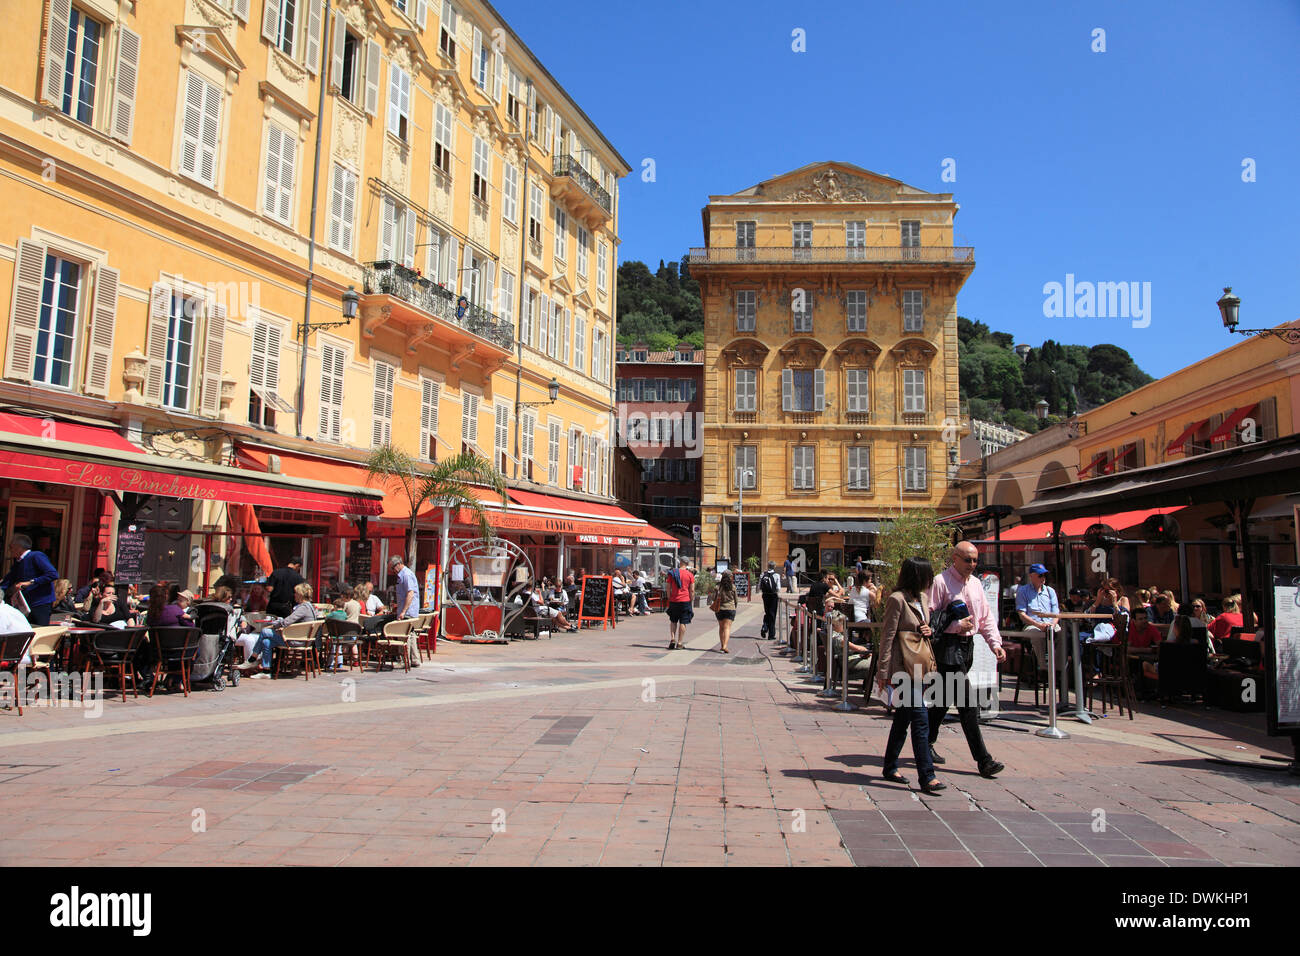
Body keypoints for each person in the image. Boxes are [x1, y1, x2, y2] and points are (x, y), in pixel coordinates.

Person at [926, 542, 1006, 778]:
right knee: (967, 704)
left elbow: (986, 616)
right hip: (948, 647)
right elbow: (931, 618)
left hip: (967, 646)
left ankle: (925, 742)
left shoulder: (976, 584)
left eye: (975, 560)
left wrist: (995, 644)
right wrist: (955, 625)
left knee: (942, 699)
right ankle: (984, 760)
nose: (972, 565)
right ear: (955, 558)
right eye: (967, 560)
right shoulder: (941, 582)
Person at [877, 556, 944, 793]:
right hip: (901, 668)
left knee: (903, 718)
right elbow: (887, 637)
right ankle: (927, 776)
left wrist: (928, 629)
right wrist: (883, 672)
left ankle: (890, 765)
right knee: (920, 719)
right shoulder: (897, 600)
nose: (930, 580)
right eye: (927, 575)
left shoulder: (923, 599)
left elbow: (924, 630)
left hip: (920, 667)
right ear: (917, 576)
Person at [243, 582, 317, 676]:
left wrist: (275, 624)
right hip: (301, 638)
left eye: (295, 593)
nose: (294, 595)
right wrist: (280, 621)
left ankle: (253, 658)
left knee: (265, 631)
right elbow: (291, 621)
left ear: (300, 594)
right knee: (266, 642)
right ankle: (266, 671)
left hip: (297, 640)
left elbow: (286, 622)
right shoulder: (309, 606)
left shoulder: (303, 608)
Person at [1016, 563, 1066, 697]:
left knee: (1063, 634)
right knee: (1037, 635)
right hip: (1033, 624)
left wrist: (1051, 624)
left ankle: (1058, 669)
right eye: (1040, 575)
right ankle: (1043, 668)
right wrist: (1039, 625)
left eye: (1044, 575)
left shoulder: (1050, 591)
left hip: (1050, 623)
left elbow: (1056, 612)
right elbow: (1022, 614)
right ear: (1031, 576)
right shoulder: (1023, 591)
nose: (1043, 578)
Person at [0, 534, 59, 627]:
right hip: (25, 605)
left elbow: (53, 574)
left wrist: (30, 582)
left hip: (40, 603)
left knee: (40, 631)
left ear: (19, 547)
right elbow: (7, 581)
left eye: (11, 547)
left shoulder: (36, 556)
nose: (9, 550)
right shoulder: (18, 563)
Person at [665, 556, 695, 650]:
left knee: (673, 620)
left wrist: (670, 597)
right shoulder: (690, 575)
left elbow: (668, 587)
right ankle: (680, 643)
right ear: (687, 563)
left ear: (680, 562)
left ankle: (673, 639)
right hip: (685, 600)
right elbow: (692, 590)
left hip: (674, 600)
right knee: (683, 621)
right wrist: (691, 599)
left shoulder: (672, 573)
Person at [711, 571, 737, 653]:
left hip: (719, 609)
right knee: (727, 627)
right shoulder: (732, 587)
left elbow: (713, 598)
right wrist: (735, 606)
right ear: (730, 577)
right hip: (730, 608)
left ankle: (722, 645)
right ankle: (725, 646)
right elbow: (736, 599)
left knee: (721, 627)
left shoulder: (718, 586)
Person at [759, 561, 782, 638]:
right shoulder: (776, 575)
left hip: (765, 595)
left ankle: (765, 626)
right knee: (772, 614)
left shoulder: (763, 574)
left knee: (767, 612)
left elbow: (759, 586)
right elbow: (778, 588)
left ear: (768, 566)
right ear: (774, 566)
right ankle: (771, 634)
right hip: (773, 596)